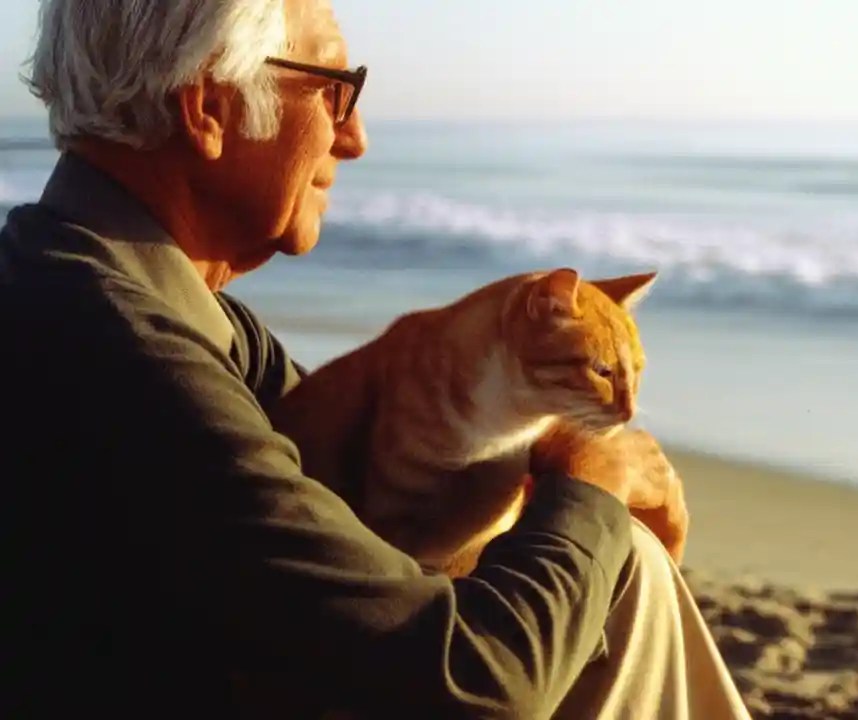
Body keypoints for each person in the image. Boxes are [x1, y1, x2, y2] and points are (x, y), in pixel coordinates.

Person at [0, 1, 753, 718]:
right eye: (335, 90)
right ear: (208, 109)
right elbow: (479, 683)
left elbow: (353, 488)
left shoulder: (97, 291)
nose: (354, 138)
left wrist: (550, 445)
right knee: (616, 579)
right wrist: (592, 489)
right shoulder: (124, 355)